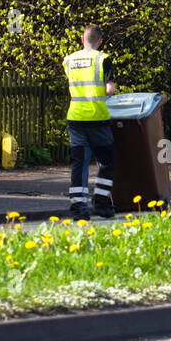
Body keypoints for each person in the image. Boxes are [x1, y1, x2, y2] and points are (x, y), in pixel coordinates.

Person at [64, 25, 117, 219]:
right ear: (100, 41)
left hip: (75, 117)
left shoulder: (68, 60)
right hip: (97, 118)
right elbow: (109, 89)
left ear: (82, 38)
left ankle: (79, 208)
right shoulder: (103, 59)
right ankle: (101, 204)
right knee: (106, 162)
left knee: (80, 163)